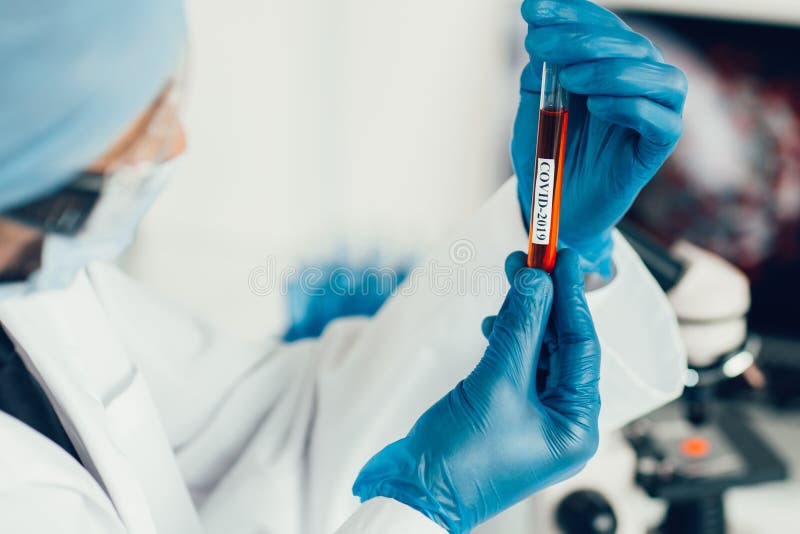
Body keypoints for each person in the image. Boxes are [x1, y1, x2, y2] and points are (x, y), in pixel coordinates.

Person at [0, 0, 687, 532]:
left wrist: (551, 232)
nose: (174, 141)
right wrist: (421, 508)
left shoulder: (42, 284)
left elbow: (271, 432)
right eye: (138, 117)